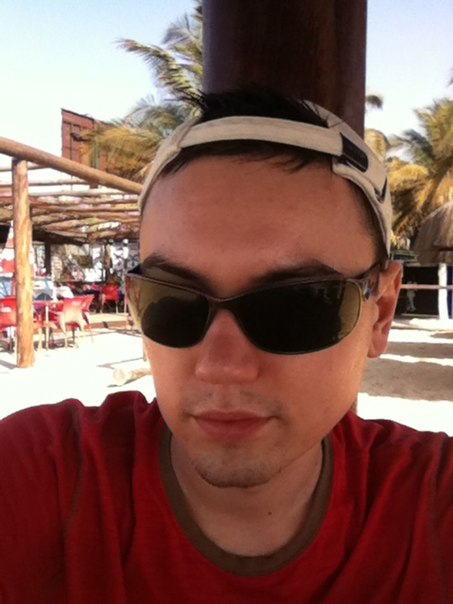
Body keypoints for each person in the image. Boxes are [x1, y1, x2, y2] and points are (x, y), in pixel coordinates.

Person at [0, 89, 451, 603]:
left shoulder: (433, 500)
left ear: (381, 311)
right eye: (172, 300)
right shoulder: (44, 473)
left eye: (297, 304)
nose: (222, 367)